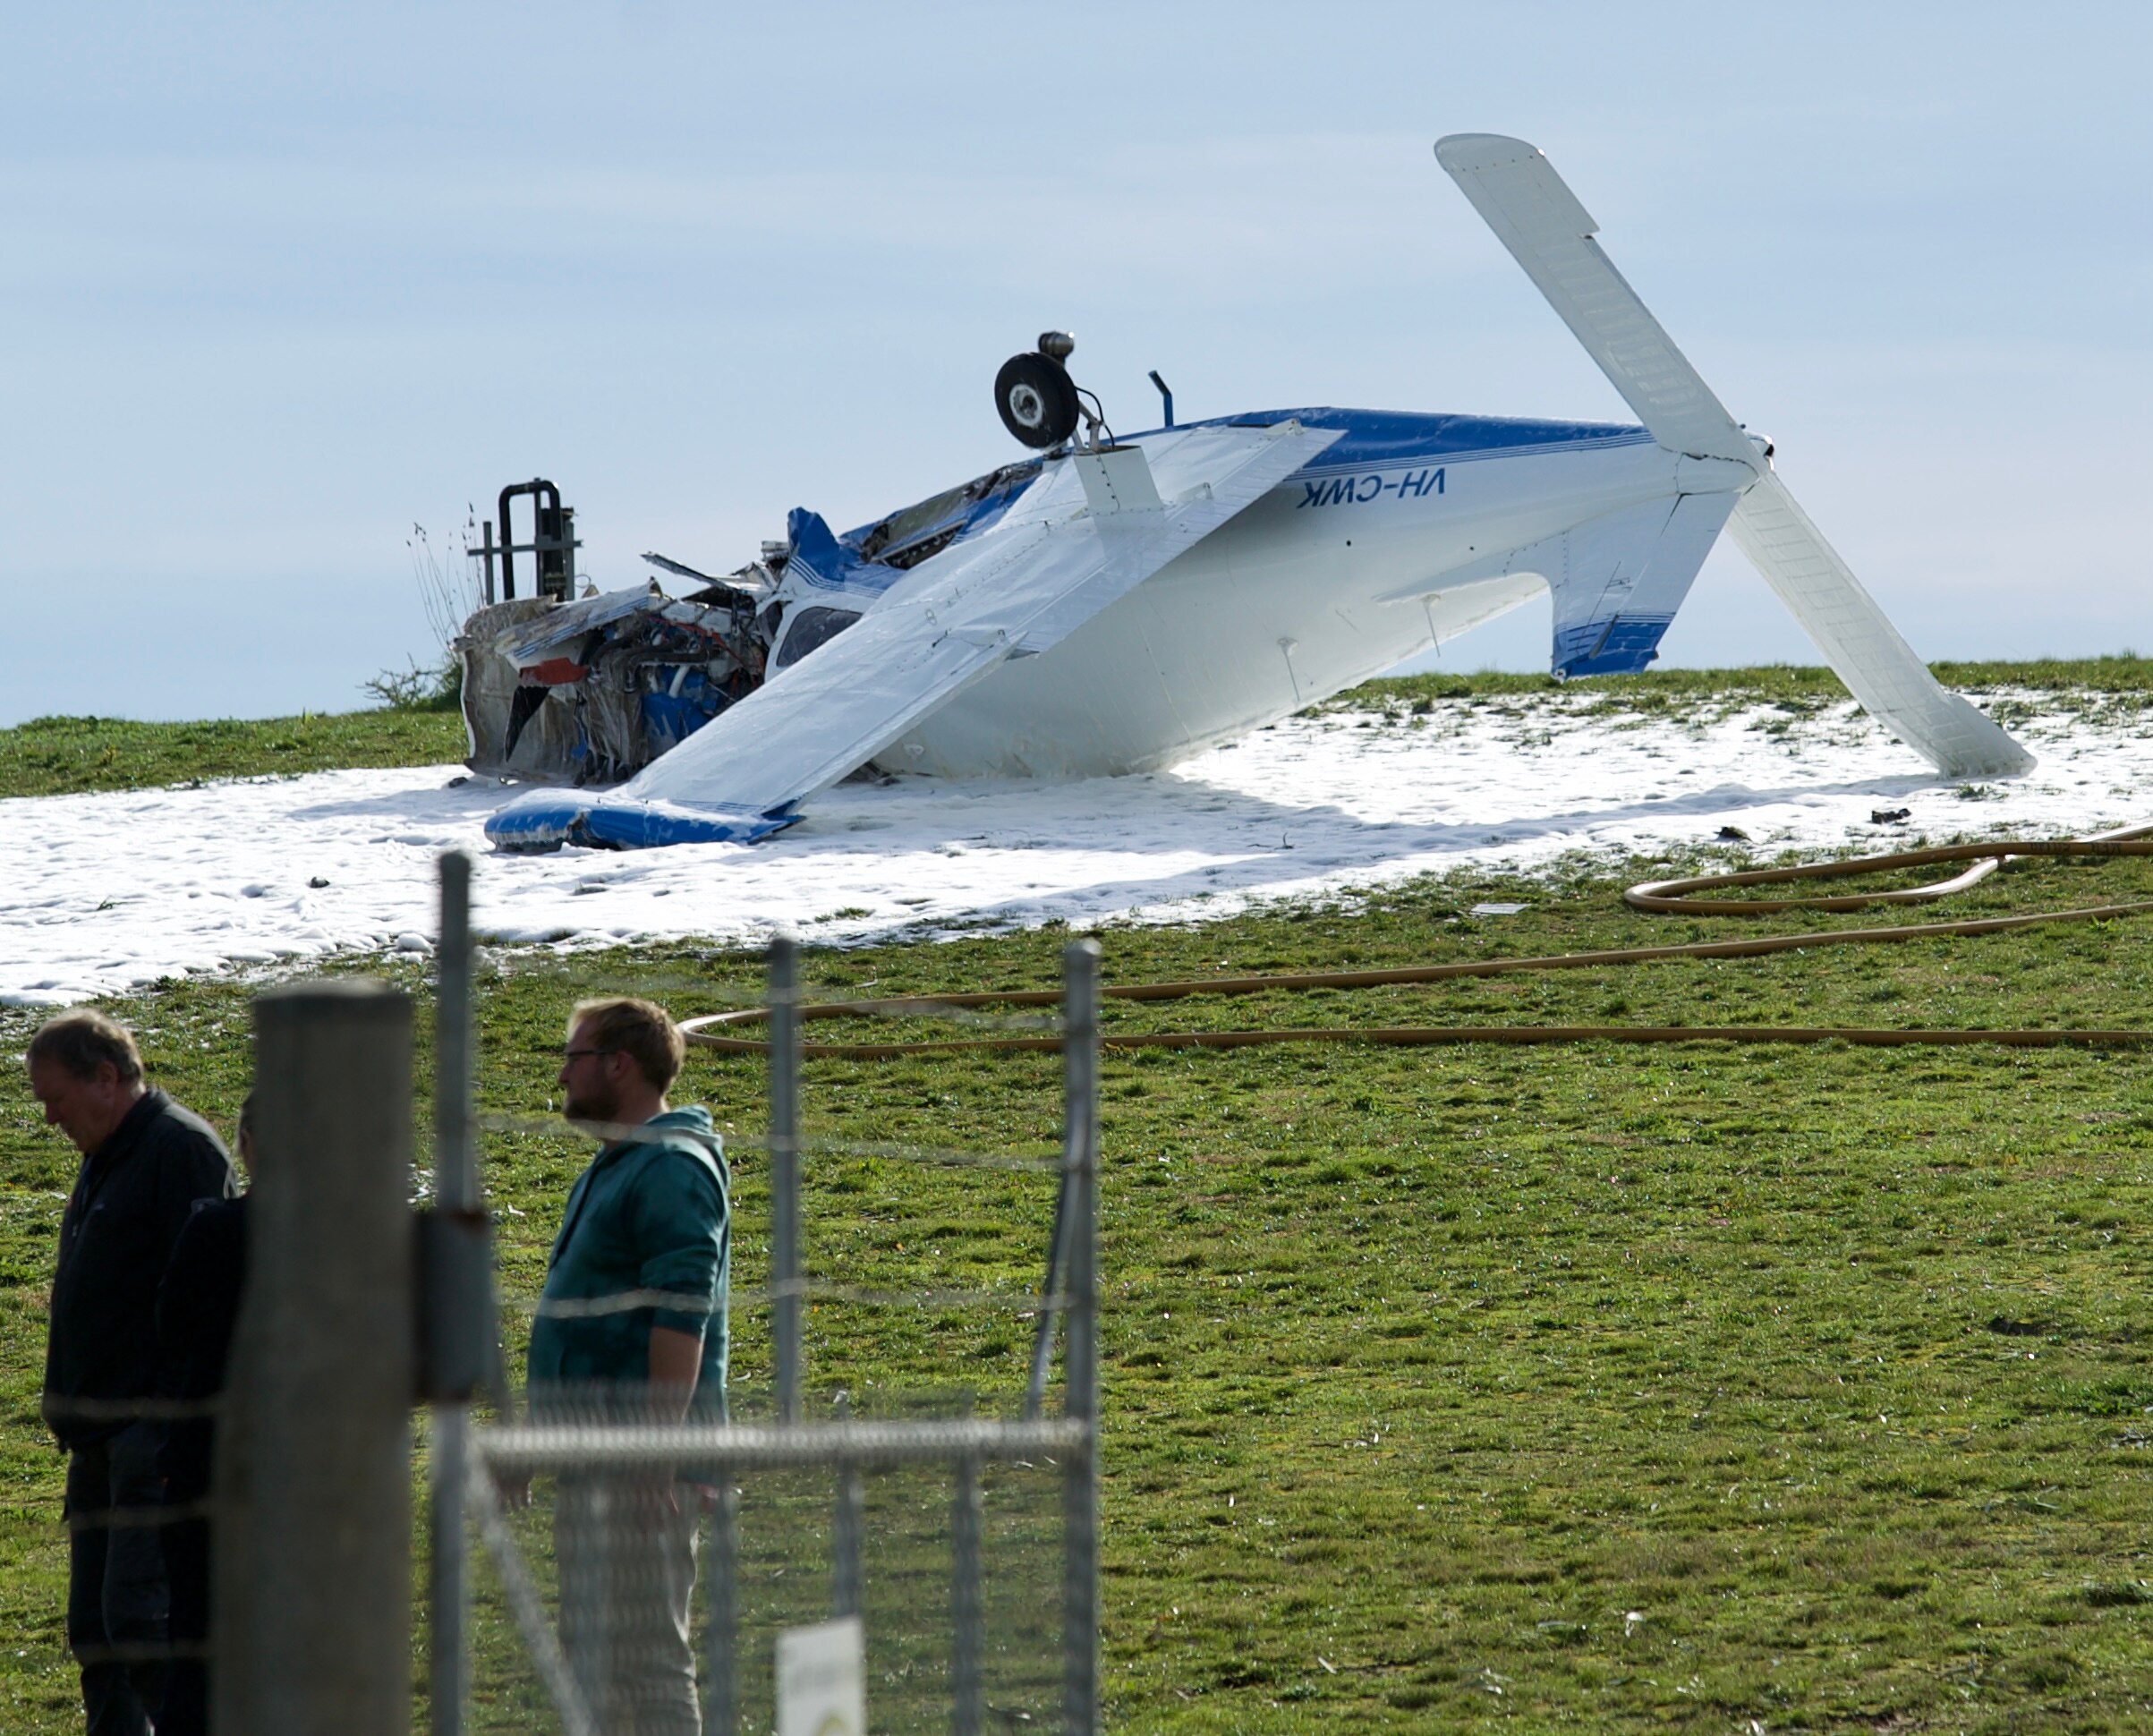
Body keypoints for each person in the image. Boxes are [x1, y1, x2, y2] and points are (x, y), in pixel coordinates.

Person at [523, 997, 729, 1736]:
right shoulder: (621, 1164)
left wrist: (655, 1453)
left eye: (574, 1057)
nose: (563, 1074)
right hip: (597, 1457)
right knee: (595, 1666)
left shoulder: (671, 1169)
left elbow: (683, 1315)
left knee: (646, 1666)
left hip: (642, 1469)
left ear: (619, 1064)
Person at [29, 1008, 237, 1736]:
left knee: (143, 1626)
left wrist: (171, 1419)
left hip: (149, 1436)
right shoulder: (110, 1155)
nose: (50, 1118)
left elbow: (203, 1302)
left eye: (54, 1098)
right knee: (97, 1630)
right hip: (99, 1440)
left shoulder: (178, 1151)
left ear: (106, 1079)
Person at [152, 1094, 253, 1736]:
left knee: (199, 1641)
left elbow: (170, 1334)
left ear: (246, 1142)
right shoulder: (356, 1241)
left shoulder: (216, 1231)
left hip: (211, 1464)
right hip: (330, 1473)